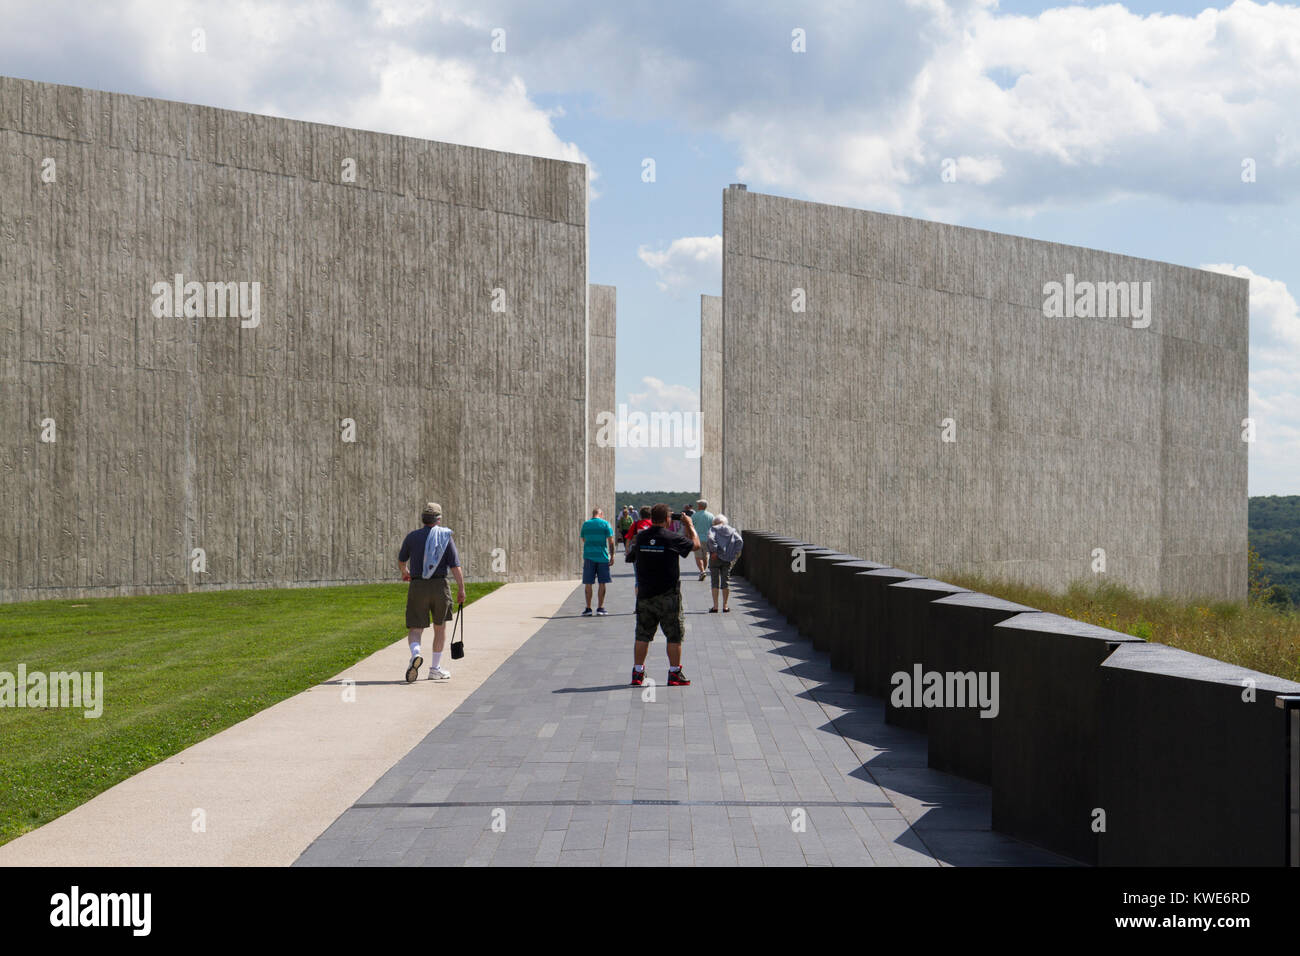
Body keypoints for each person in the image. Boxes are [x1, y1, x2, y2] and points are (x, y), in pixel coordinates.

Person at [625, 503, 702, 687]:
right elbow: (696, 545)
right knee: (674, 636)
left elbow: (631, 556)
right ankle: (674, 674)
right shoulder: (672, 538)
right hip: (669, 595)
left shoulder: (641, 537)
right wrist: (689, 524)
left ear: (652, 518)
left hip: (645, 595)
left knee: (642, 635)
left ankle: (637, 673)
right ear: (668, 519)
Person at [397, 502, 466, 682]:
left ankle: (416, 653)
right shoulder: (445, 537)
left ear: (423, 519)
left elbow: (402, 560)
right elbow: (455, 566)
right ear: (439, 519)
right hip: (439, 586)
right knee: (440, 627)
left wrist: (405, 573)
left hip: (418, 585)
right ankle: (435, 669)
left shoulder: (412, 537)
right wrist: (461, 589)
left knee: (416, 627)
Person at [580, 507, 616, 616]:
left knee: (588, 583)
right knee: (602, 582)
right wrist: (612, 556)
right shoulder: (605, 524)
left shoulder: (586, 524)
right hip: (602, 557)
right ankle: (600, 608)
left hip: (589, 556)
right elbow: (611, 542)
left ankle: (588, 608)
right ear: (601, 514)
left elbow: (583, 539)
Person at [707, 514, 743, 613]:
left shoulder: (713, 529)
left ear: (715, 522)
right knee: (725, 581)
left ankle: (715, 606)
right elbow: (739, 541)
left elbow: (710, 538)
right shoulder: (732, 530)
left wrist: (714, 551)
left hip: (715, 558)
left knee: (714, 581)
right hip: (727, 559)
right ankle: (725, 606)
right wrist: (733, 553)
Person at [691, 499, 715, 581]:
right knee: (705, 556)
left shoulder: (694, 516)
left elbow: (690, 527)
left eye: (698, 505)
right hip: (708, 539)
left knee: (698, 556)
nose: (697, 506)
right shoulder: (711, 516)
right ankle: (703, 571)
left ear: (700, 506)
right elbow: (713, 527)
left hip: (697, 539)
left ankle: (702, 571)